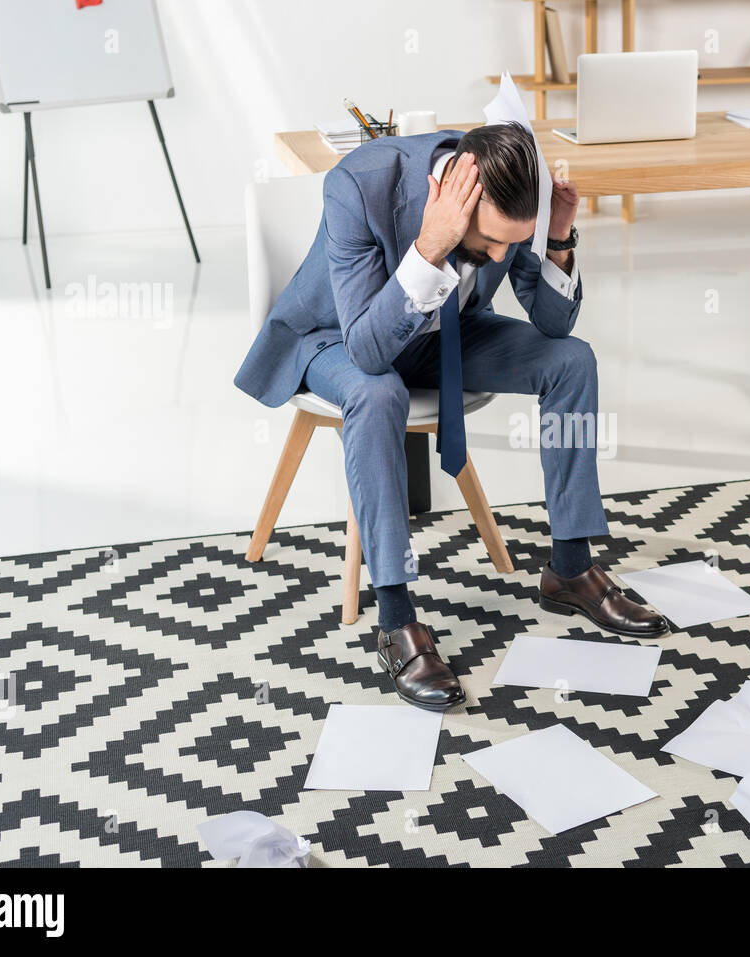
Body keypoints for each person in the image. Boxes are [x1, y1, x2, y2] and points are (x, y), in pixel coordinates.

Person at [235, 122, 667, 711]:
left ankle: (569, 568)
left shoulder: (513, 196)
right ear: (458, 198)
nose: (497, 256)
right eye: (489, 242)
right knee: (379, 392)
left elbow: (554, 326)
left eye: (509, 245)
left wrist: (558, 237)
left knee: (572, 360)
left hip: (446, 333)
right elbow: (367, 351)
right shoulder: (360, 185)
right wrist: (430, 246)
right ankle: (395, 620)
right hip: (336, 336)